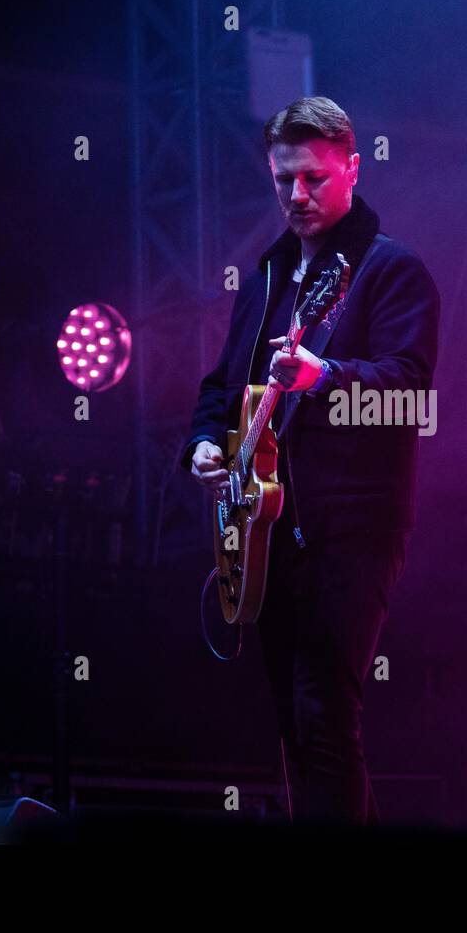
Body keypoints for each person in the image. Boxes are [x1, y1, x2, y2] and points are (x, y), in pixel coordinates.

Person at [180, 96, 440, 825]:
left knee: (324, 715)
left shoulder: (391, 271)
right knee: (300, 732)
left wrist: (322, 376)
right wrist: (203, 444)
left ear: (353, 169)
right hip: (268, 532)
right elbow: (221, 388)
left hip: (349, 530)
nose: (297, 195)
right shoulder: (265, 278)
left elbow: (409, 393)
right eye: (284, 179)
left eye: (315, 179)